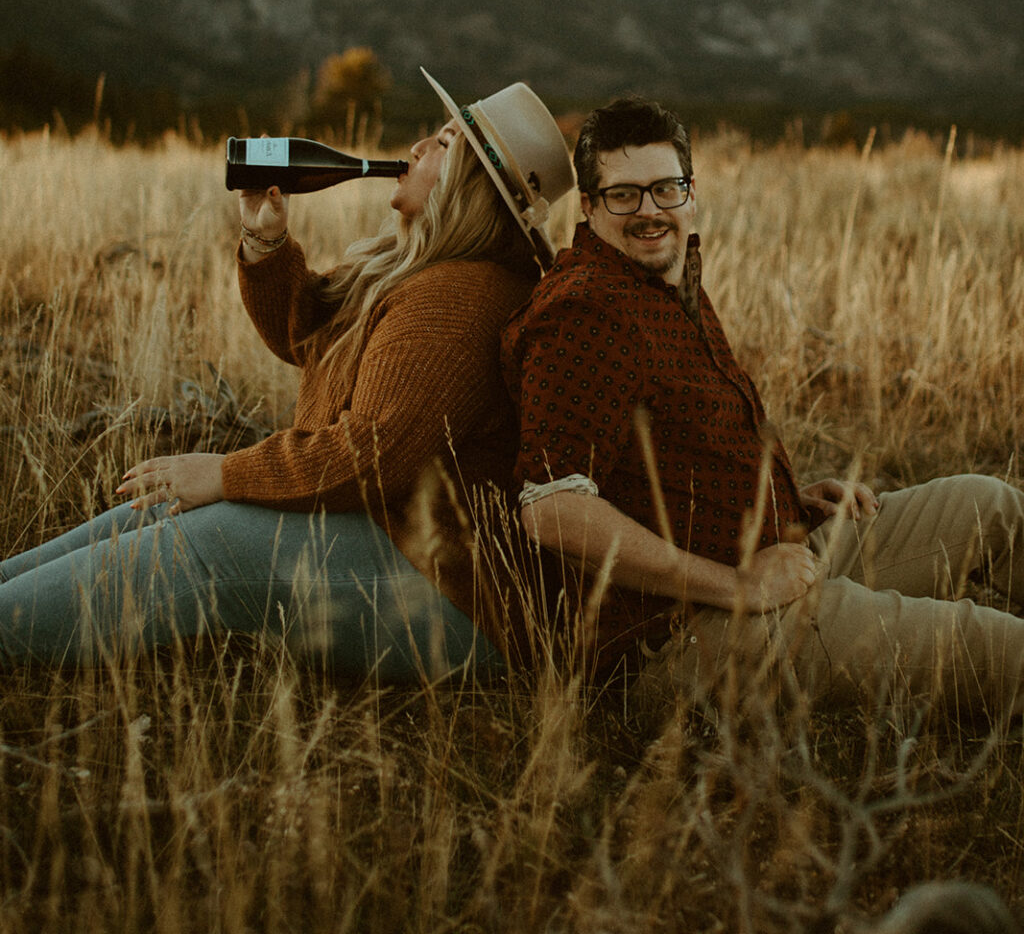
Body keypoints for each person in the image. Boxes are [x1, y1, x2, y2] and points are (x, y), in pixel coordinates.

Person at [0, 70, 575, 679]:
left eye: (445, 142)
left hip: (456, 597)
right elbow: (311, 338)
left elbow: (374, 455)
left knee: (207, 539)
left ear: (472, 186)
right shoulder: (437, 272)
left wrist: (225, 473)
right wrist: (266, 243)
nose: (418, 148)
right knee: (165, 513)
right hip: (400, 543)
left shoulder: (460, 298)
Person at [501, 95, 1024, 717]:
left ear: (691, 193)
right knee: (1001, 652)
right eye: (624, 195)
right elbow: (553, 509)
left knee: (991, 506)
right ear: (587, 207)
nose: (649, 211)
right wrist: (738, 586)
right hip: (684, 634)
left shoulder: (670, 279)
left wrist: (787, 499)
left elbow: (668, 460)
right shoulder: (586, 310)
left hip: (780, 551)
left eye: (666, 188)